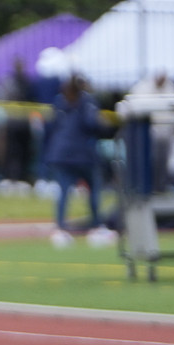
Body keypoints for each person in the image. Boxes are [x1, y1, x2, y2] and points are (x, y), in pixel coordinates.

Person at [44, 75, 109, 244]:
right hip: (83, 154)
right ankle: (96, 226)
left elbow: (50, 126)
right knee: (94, 189)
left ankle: (60, 227)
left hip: (61, 153)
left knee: (63, 192)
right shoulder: (87, 102)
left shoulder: (58, 102)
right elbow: (92, 124)